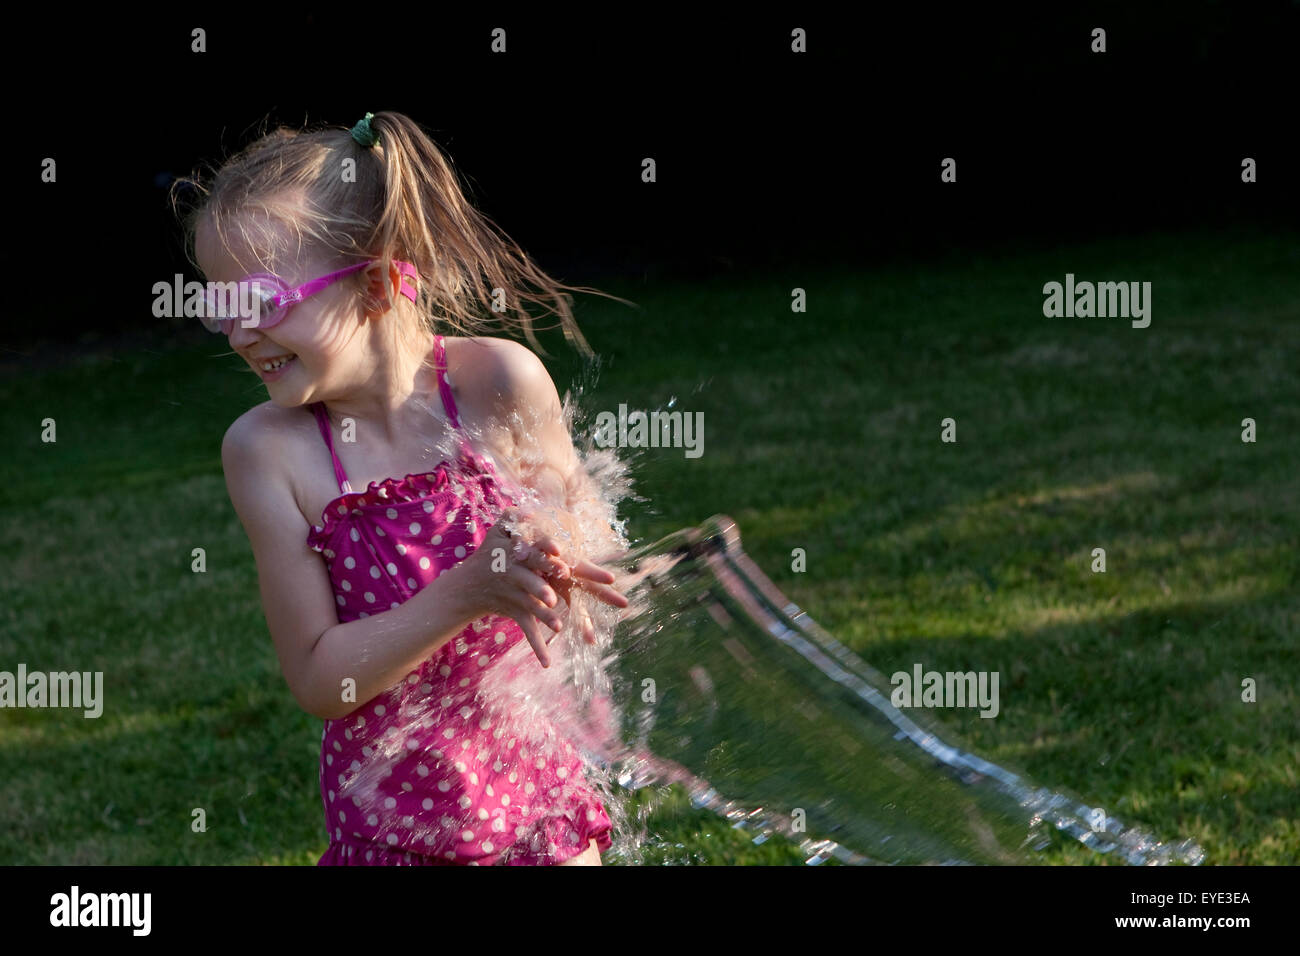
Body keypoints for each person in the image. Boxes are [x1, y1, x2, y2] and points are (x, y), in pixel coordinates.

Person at [171, 110, 633, 865]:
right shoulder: (268, 452)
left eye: (258, 303)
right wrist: (466, 592)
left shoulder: (499, 383)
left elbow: (597, 554)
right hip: (395, 831)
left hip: (543, 805)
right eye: (219, 306)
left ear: (381, 281)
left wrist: (563, 557)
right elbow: (322, 678)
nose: (236, 334)